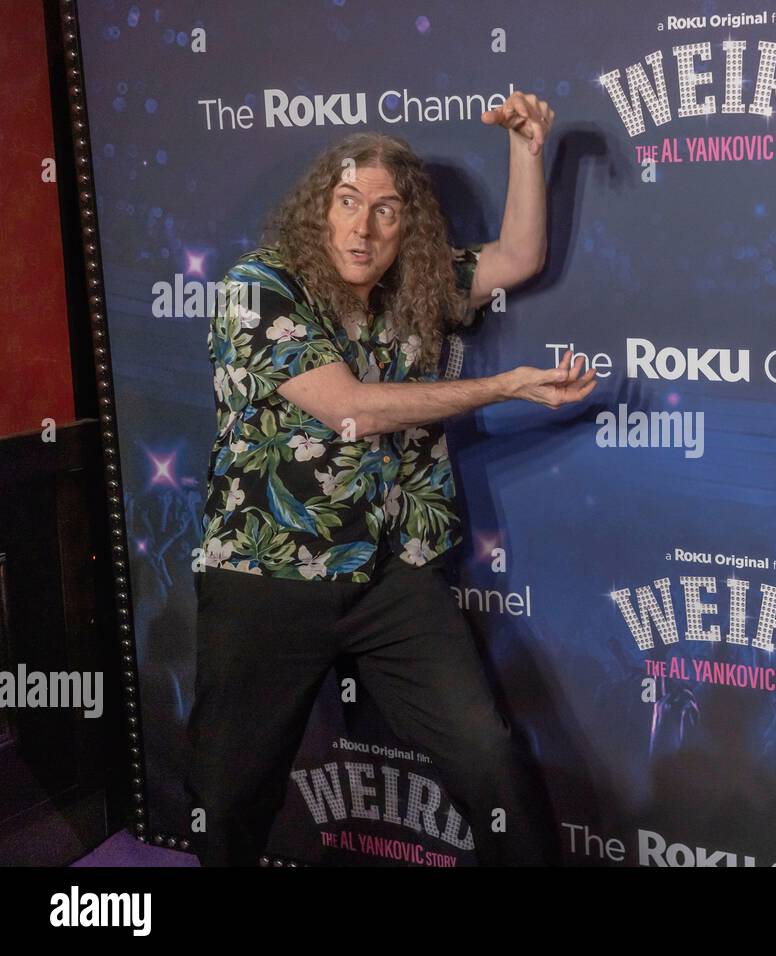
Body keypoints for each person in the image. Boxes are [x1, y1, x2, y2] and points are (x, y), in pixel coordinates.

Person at [189, 92, 595, 866]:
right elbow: (349, 410)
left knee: (491, 758)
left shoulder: (417, 285)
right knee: (229, 797)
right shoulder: (258, 287)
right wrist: (502, 386)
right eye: (348, 202)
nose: (364, 226)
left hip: (390, 576)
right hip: (266, 574)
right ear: (319, 209)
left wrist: (528, 148)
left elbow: (518, 257)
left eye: (386, 210)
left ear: (408, 226)